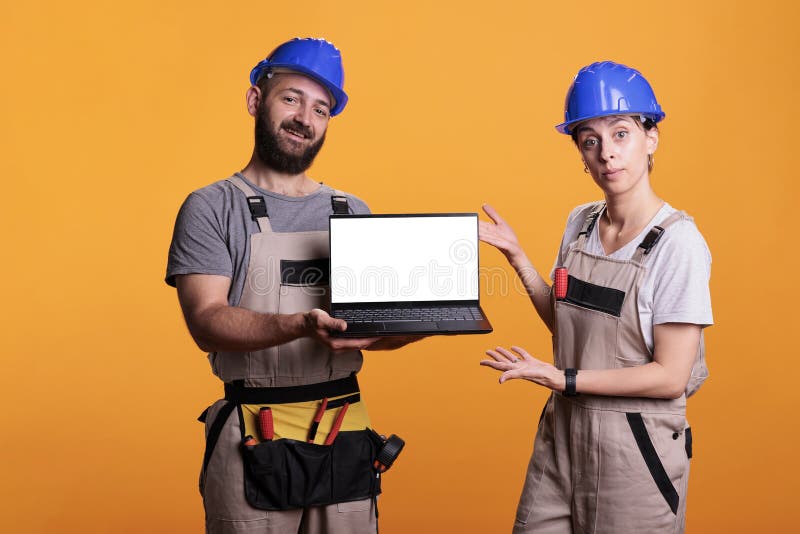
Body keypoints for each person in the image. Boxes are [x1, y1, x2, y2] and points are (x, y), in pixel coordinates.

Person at [166, 37, 415, 534]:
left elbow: (378, 330)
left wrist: (425, 320)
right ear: (257, 100)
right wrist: (300, 324)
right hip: (254, 434)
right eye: (291, 98)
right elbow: (207, 323)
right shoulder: (211, 207)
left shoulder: (353, 211)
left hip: (343, 430)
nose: (306, 117)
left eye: (321, 108)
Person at [479, 61, 712, 533]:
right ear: (581, 153)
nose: (607, 153)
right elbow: (565, 323)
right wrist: (517, 256)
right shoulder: (580, 222)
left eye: (621, 133)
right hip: (562, 440)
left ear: (651, 138)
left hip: (635, 451)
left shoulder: (678, 243)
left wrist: (560, 377)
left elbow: (670, 377)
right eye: (590, 140)